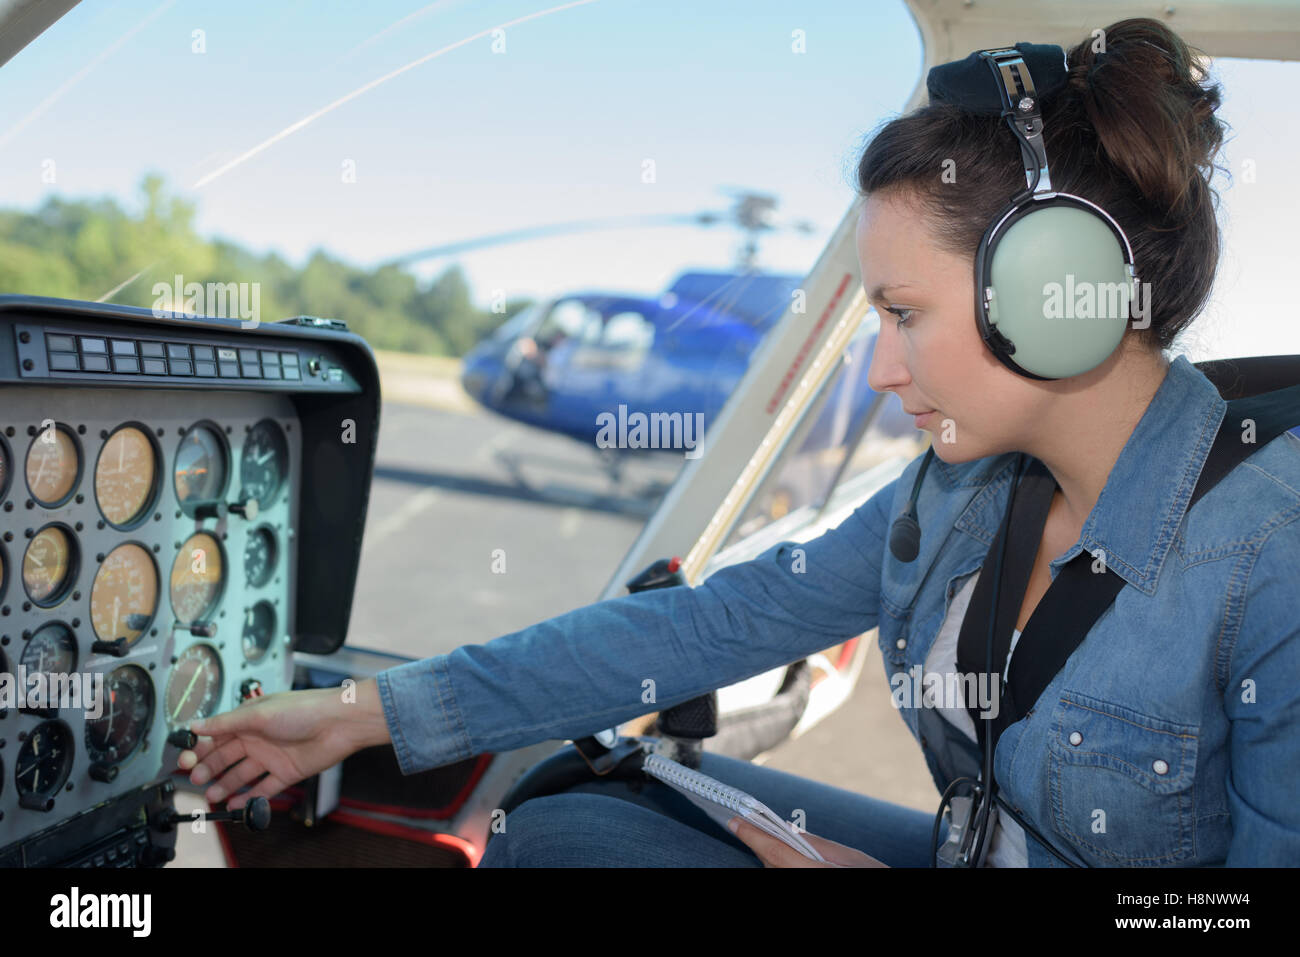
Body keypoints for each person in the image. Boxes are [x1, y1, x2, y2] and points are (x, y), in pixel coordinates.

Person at [177, 18, 1300, 867]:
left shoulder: (1272, 559)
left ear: (1057, 296)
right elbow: (712, 622)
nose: (883, 366)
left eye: (902, 314)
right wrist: (360, 712)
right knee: (571, 825)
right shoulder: (960, 498)